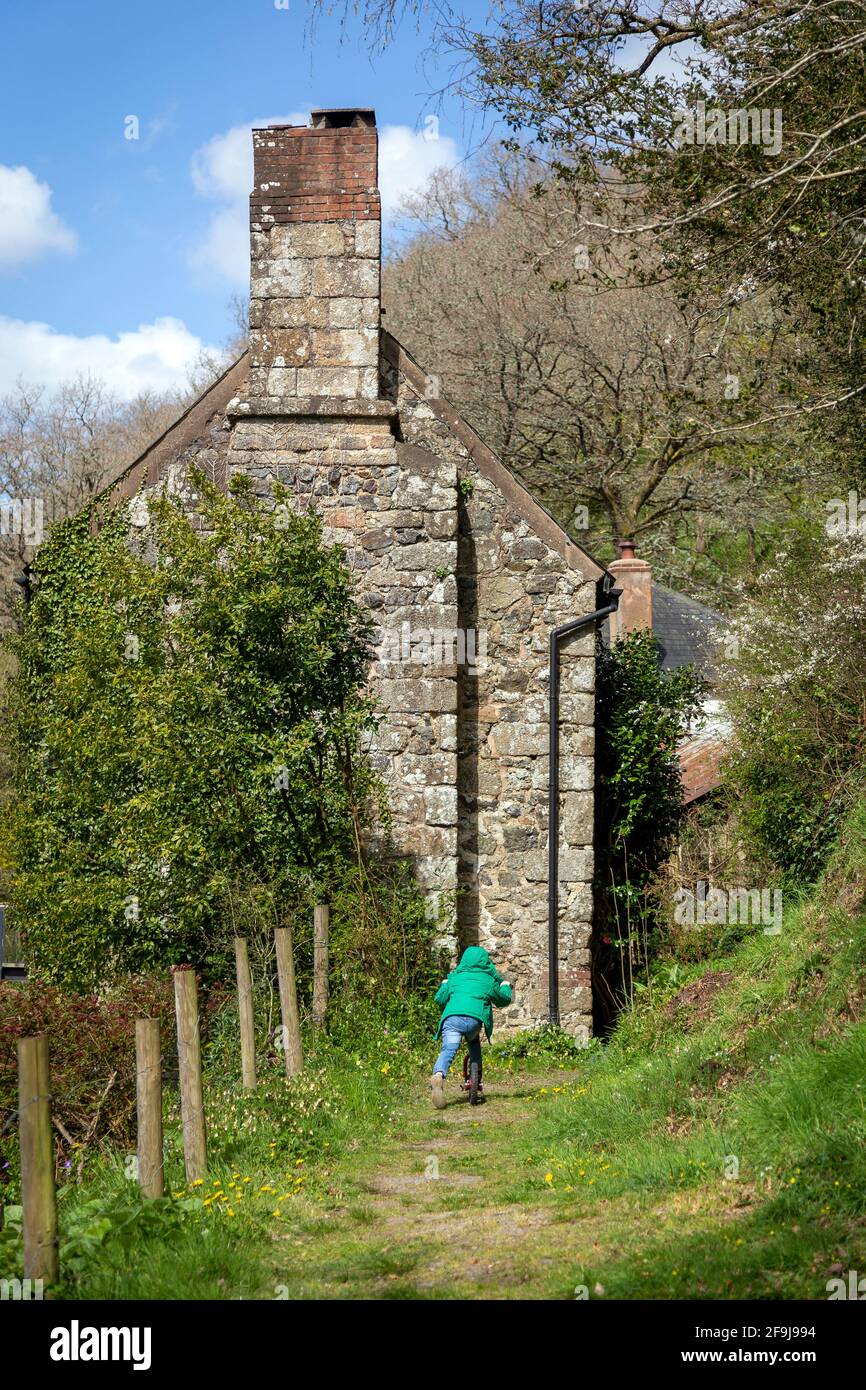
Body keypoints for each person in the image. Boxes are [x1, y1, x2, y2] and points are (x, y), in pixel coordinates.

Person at [430, 945, 513, 1108]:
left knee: (448, 1050)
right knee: (473, 1043)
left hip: (452, 1019)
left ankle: (439, 1075)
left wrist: (445, 984)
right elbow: (503, 1000)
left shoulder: (454, 978)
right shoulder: (488, 980)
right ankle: (476, 1078)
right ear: (486, 962)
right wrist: (505, 985)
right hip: (474, 1020)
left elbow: (439, 999)